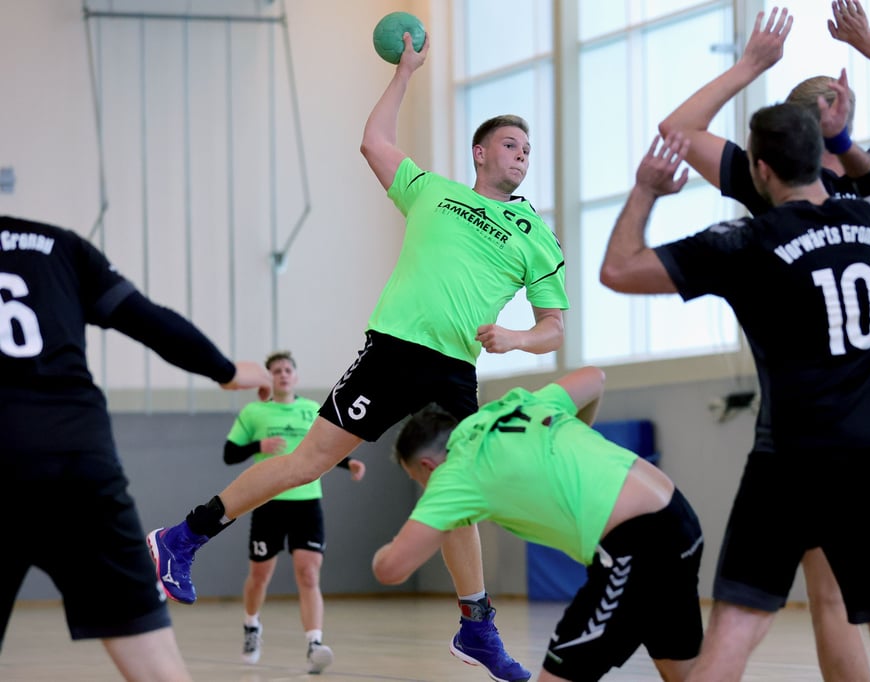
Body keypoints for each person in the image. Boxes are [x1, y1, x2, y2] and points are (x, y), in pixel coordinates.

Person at [146, 30, 569, 682]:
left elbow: (554, 328)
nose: (522, 156)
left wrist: (515, 339)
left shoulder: (534, 233)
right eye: (511, 145)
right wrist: (405, 74)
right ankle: (183, 538)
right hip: (392, 350)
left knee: (455, 491)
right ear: (481, 152)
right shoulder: (434, 191)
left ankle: (476, 627)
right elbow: (373, 142)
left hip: (455, 368)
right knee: (309, 460)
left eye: (529, 150)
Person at [657, 3, 870, 679]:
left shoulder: (763, 179)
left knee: (830, 596)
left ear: (776, 150)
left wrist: (749, 65)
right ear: (842, 110)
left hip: (801, 427)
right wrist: (866, 39)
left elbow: (677, 131)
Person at [600, 104, 870, 680]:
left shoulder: (746, 241)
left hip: (790, 465)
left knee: (734, 632)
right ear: (817, 157)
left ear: (760, 170)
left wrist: (647, 191)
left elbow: (619, 270)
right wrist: (847, 140)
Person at [0, 214, 272, 681]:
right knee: (156, 665)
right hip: (75, 459)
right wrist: (225, 371)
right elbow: (148, 320)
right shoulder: (57, 244)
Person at [372, 366, 705, 681]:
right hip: (680, 518)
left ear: (428, 466)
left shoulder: (454, 473)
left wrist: (392, 545)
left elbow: (392, 569)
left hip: (636, 545)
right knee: (682, 671)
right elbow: (594, 378)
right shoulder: (517, 405)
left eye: (417, 479)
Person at [223, 350, 366, 673]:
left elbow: (322, 450)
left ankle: (315, 644)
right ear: (269, 378)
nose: (283, 374)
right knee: (260, 575)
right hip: (268, 501)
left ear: (296, 376)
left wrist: (348, 463)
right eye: (276, 371)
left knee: (308, 573)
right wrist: (257, 447)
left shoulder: (310, 410)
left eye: (288, 369)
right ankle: (251, 625)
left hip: (307, 503)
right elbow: (230, 454)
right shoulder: (254, 412)